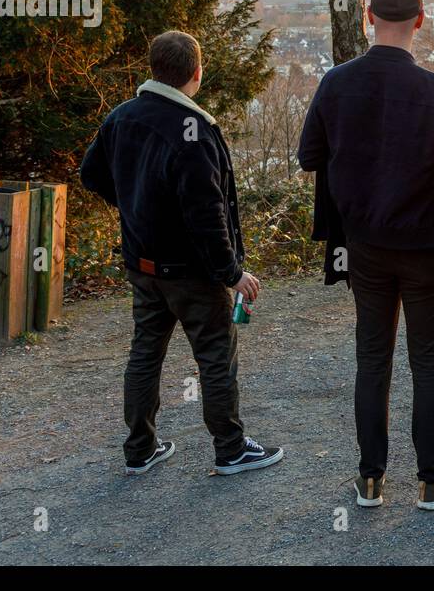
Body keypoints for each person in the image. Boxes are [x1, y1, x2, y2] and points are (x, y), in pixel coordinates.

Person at [298, 0, 434, 512]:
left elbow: (311, 157)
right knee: (429, 363)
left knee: (372, 358)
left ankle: (370, 479)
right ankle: (431, 479)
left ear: (368, 18)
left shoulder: (336, 84)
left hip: (364, 246)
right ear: (420, 20)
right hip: (429, 249)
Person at [80, 30, 282, 476]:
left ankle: (139, 449)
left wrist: (133, 207)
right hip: (192, 272)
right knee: (214, 355)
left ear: (153, 68)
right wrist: (232, 274)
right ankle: (230, 449)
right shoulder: (195, 132)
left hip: (143, 264)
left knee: (145, 354)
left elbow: (90, 175)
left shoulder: (120, 118)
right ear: (197, 72)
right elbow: (206, 216)